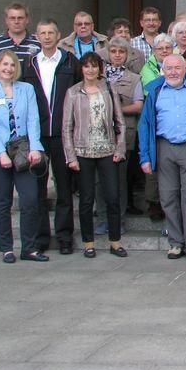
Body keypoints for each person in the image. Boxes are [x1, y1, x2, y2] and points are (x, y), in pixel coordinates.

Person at [138, 53, 186, 261]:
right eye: (168, 68)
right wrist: (145, 156)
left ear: (185, 69)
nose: (173, 72)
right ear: (163, 70)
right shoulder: (155, 90)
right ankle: (175, 243)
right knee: (168, 196)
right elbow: (144, 125)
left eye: (177, 68)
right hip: (164, 147)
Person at [0, 50, 45, 263]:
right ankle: (7, 248)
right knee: (2, 201)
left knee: (30, 199)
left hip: (23, 152)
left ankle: (29, 248)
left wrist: (36, 147)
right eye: (4, 65)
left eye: (12, 65)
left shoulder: (26, 89)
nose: (8, 69)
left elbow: (33, 120)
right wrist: (0, 153)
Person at [21, 19, 79, 255]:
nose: (46, 37)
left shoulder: (69, 61)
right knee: (37, 190)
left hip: (63, 134)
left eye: (50, 33)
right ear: (37, 36)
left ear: (58, 36)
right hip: (37, 136)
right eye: (42, 33)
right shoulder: (29, 64)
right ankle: (41, 237)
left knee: (64, 189)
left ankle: (65, 237)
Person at [61, 52, 128, 258]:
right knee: (87, 199)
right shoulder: (73, 92)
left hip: (107, 150)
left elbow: (120, 121)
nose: (90, 70)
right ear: (81, 69)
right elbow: (67, 127)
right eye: (86, 66)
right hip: (83, 151)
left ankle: (115, 242)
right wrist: (70, 156)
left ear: (100, 68)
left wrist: (120, 148)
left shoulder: (109, 88)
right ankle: (89, 243)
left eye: (94, 66)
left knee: (112, 196)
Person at [102, 37, 144, 216]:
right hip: (101, 133)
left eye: (121, 52)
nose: (117, 55)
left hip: (125, 132)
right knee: (102, 177)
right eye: (113, 51)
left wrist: (115, 110)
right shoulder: (98, 76)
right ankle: (104, 214)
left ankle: (120, 215)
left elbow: (138, 105)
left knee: (122, 177)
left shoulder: (134, 78)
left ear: (127, 55)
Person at [0, 2, 41, 87]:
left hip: (31, 97)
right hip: (1, 96)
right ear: (6, 20)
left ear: (27, 20)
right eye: (12, 18)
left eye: (20, 18)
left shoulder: (38, 43)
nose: (16, 21)